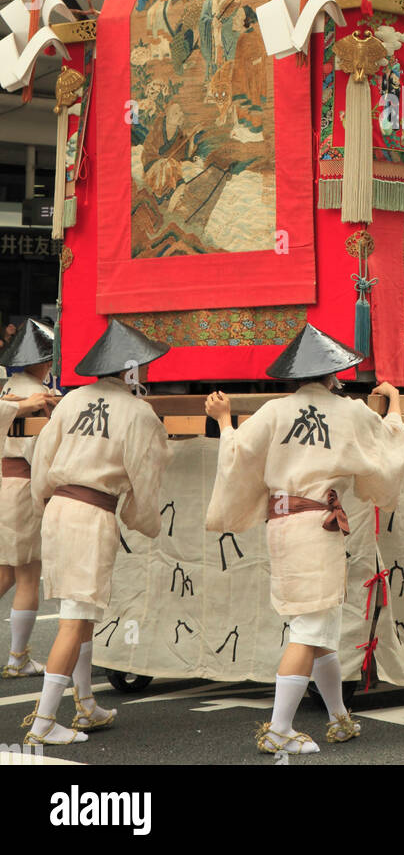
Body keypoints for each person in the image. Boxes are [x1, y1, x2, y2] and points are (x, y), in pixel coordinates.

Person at [205, 323, 404, 758]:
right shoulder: (349, 410)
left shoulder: (275, 410)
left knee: (321, 630)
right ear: (334, 375)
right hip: (317, 527)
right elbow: (390, 447)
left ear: (295, 376)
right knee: (308, 629)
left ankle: (338, 717)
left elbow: (237, 455)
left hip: (283, 524)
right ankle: (279, 729)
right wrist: (394, 405)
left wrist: (224, 421)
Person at [23, 319, 170, 746]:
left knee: (81, 612)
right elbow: (150, 466)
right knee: (75, 616)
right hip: (91, 512)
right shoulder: (137, 410)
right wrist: (144, 519)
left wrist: (44, 503)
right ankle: (43, 721)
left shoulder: (71, 401)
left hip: (61, 507)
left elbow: (43, 458)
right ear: (129, 371)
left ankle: (85, 703)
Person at [0, 318, 57, 678]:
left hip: (7, 485)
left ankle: (18, 657)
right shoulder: (33, 395)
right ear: (41, 361)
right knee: (26, 574)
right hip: (22, 487)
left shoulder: (11, 387)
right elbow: (42, 452)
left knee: (7, 571)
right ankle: (17, 657)